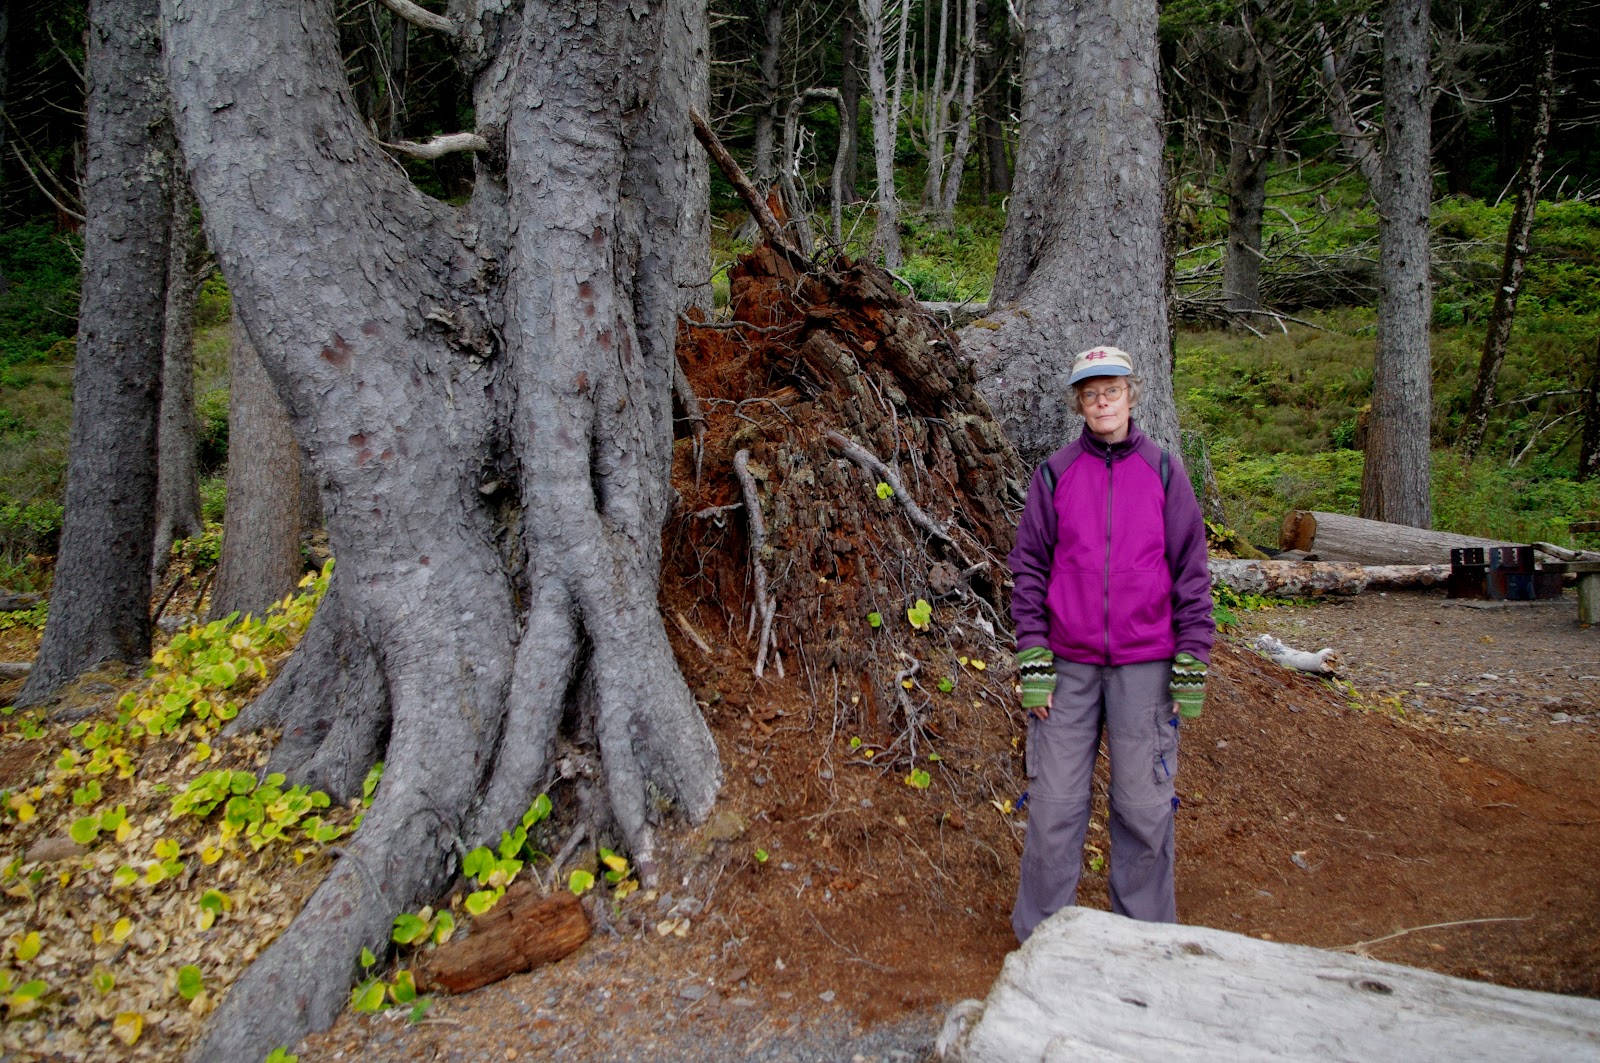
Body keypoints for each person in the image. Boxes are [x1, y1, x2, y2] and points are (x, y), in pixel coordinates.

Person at [1007, 345, 1213, 942]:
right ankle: (1041, 940)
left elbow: (1192, 573)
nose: (1103, 402)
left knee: (1144, 808)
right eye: (1092, 394)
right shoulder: (1055, 473)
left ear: (1131, 395)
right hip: (1066, 666)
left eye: (1113, 391)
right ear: (1080, 403)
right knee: (1054, 806)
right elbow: (1029, 570)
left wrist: (1193, 660)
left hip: (1146, 666)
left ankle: (1143, 941)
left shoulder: (1164, 472)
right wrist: (1034, 657)